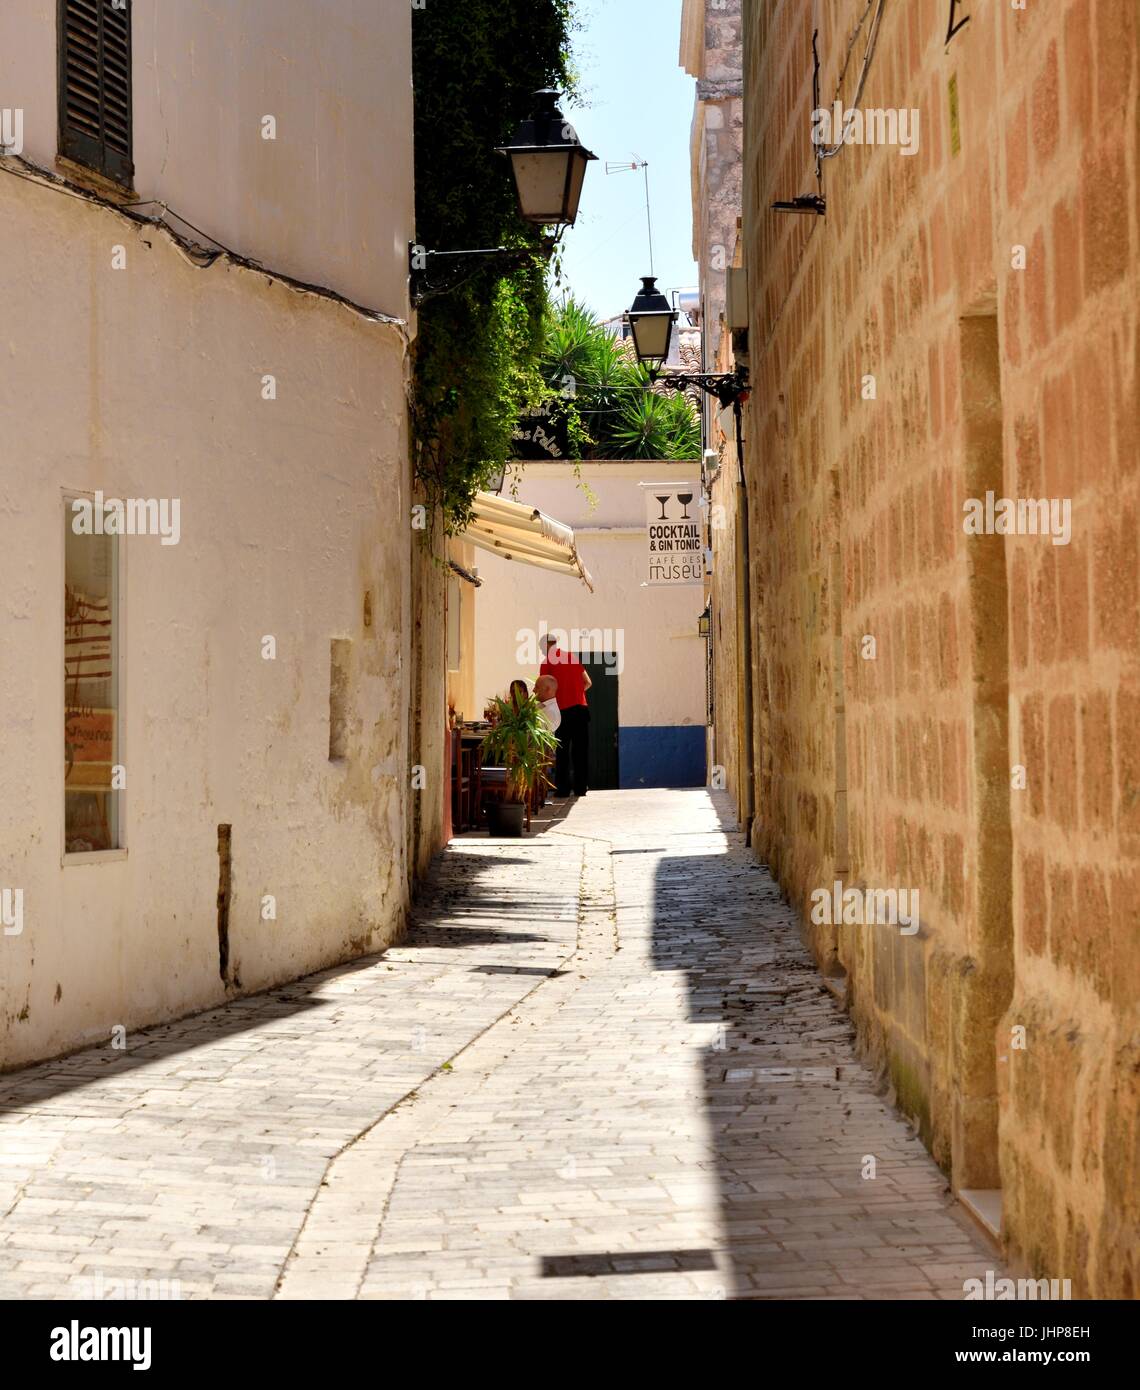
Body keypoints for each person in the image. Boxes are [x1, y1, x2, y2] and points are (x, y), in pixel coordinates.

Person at [539, 634, 591, 798]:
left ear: (545, 647)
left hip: (563, 711)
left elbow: (544, 689)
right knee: (580, 751)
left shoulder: (547, 662)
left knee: (562, 752)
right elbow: (588, 682)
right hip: (581, 709)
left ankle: (563, 789)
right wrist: (574, 692)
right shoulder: (572, 658)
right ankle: (581, 788)